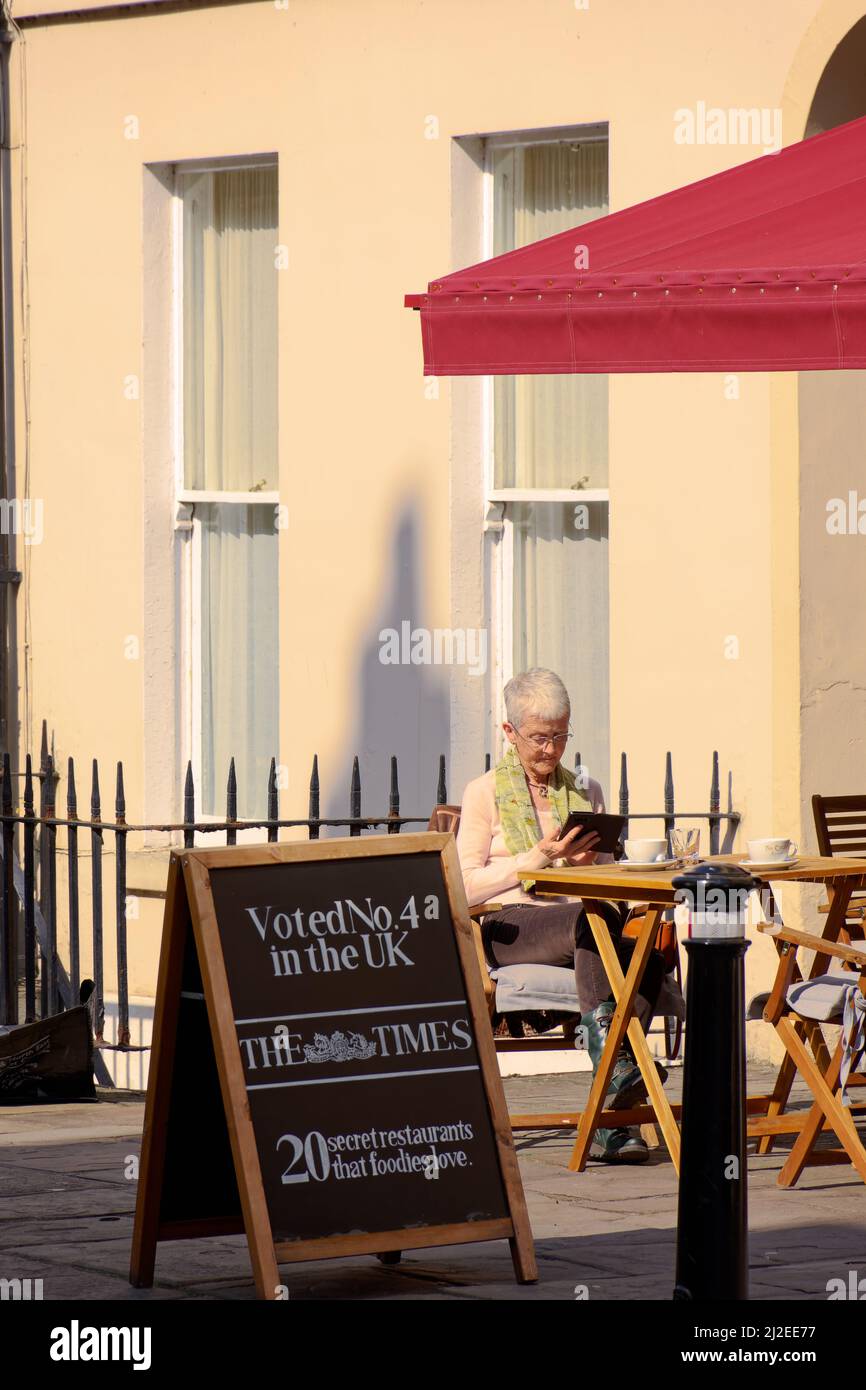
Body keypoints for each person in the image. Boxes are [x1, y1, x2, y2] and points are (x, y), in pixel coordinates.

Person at [456, 667, 665, 1165]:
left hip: (582, 923)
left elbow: (612, 884)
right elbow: (460, 888)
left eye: (560, 737)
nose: (550, 751)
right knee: (586, 923)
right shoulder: (483, 792)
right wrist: (534, 861)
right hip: (511, 924)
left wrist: (592, 866)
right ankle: (618, 1076)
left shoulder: (584, 791)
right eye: (539, 739)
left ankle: (611, 1115)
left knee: (647, 960)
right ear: (509, 732)